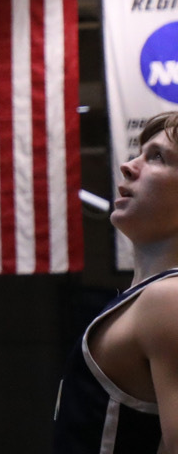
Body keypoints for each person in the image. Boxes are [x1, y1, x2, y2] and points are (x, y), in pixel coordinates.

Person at [54, 109, 178, 450]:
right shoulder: (151, 298)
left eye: (157, 157)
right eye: (138, 153)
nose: (128, 166)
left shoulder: (168, 300)